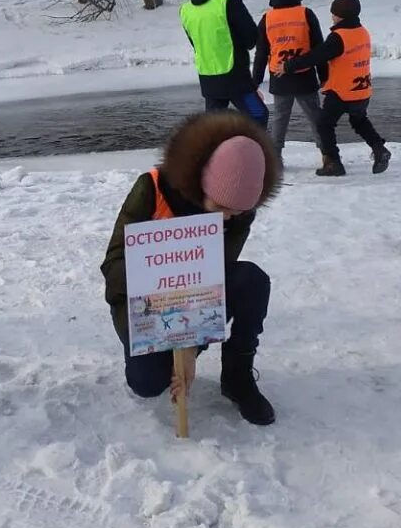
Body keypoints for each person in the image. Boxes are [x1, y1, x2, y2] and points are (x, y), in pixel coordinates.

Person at [100, 112, 283, 425]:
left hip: (196, 304)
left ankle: (237, 375)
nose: (228, 218)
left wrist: (188, 344)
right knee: (147, 383)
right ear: (203, 182)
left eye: (237, 212)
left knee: (251, 280)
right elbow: (113, 268)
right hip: (142, 308)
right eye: (221, 207)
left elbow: (212, 275)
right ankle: (160, 357)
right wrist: (157, 273)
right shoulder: (151, 189)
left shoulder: (240, 212)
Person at [286, 0, 392, 177]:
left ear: (340, 15)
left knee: (324, 125)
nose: (332, 17)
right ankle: (379, 148)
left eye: (333, 13)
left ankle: (333, 163)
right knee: (359, 120)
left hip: (341, 91)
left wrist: (289, 66)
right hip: (362, 89)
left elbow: (316, 56)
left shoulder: (338, 37)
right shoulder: (362, 31)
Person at [251, 0, 336, 163]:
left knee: (280, 119)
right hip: (305, 76)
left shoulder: (267, 19)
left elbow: (261, 54)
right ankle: (327, 155)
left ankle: (275, 158)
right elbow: (318, 48)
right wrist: (324, 77)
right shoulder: (306, 14)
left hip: (279, 77)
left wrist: (255, 81)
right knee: (315, 117)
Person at [179, 0, 267, 125]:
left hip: (208, 79)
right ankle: (250, 150)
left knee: (214, 127)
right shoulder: (229, 1)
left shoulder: (186, 10)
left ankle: (216, 151)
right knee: (258, 115)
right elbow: (250, 38)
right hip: (236, 77)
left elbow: (195, 41)